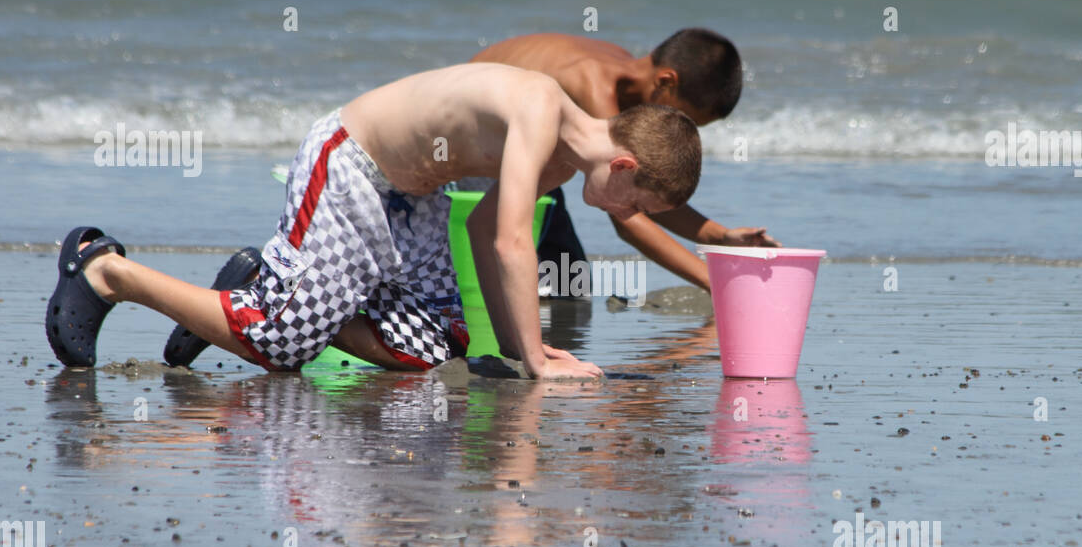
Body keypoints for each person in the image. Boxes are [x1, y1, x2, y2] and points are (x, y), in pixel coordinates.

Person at [45, 63, 700, 381]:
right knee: (283, 348)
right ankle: (107, 271)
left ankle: (250, 298)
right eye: (639, 203)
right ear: (622, 165)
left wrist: (508, 353)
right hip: (350, 162)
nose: (633, 219)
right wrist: (538, 358)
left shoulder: (563, 159)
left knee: (435, 349)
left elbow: (477, 233)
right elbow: (508, 242)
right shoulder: (540, 110)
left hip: (410, 199)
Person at [470, 28, 778, 292]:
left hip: (522, 158)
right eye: (685, 118)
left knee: (569, 284)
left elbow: (644, 195)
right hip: (468, 152)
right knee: (560, 284)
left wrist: (720, 236)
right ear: (666, 81)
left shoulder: (620, 67)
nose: (679, 129)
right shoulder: (595, 87)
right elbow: (627, 219)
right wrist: (715, 283)